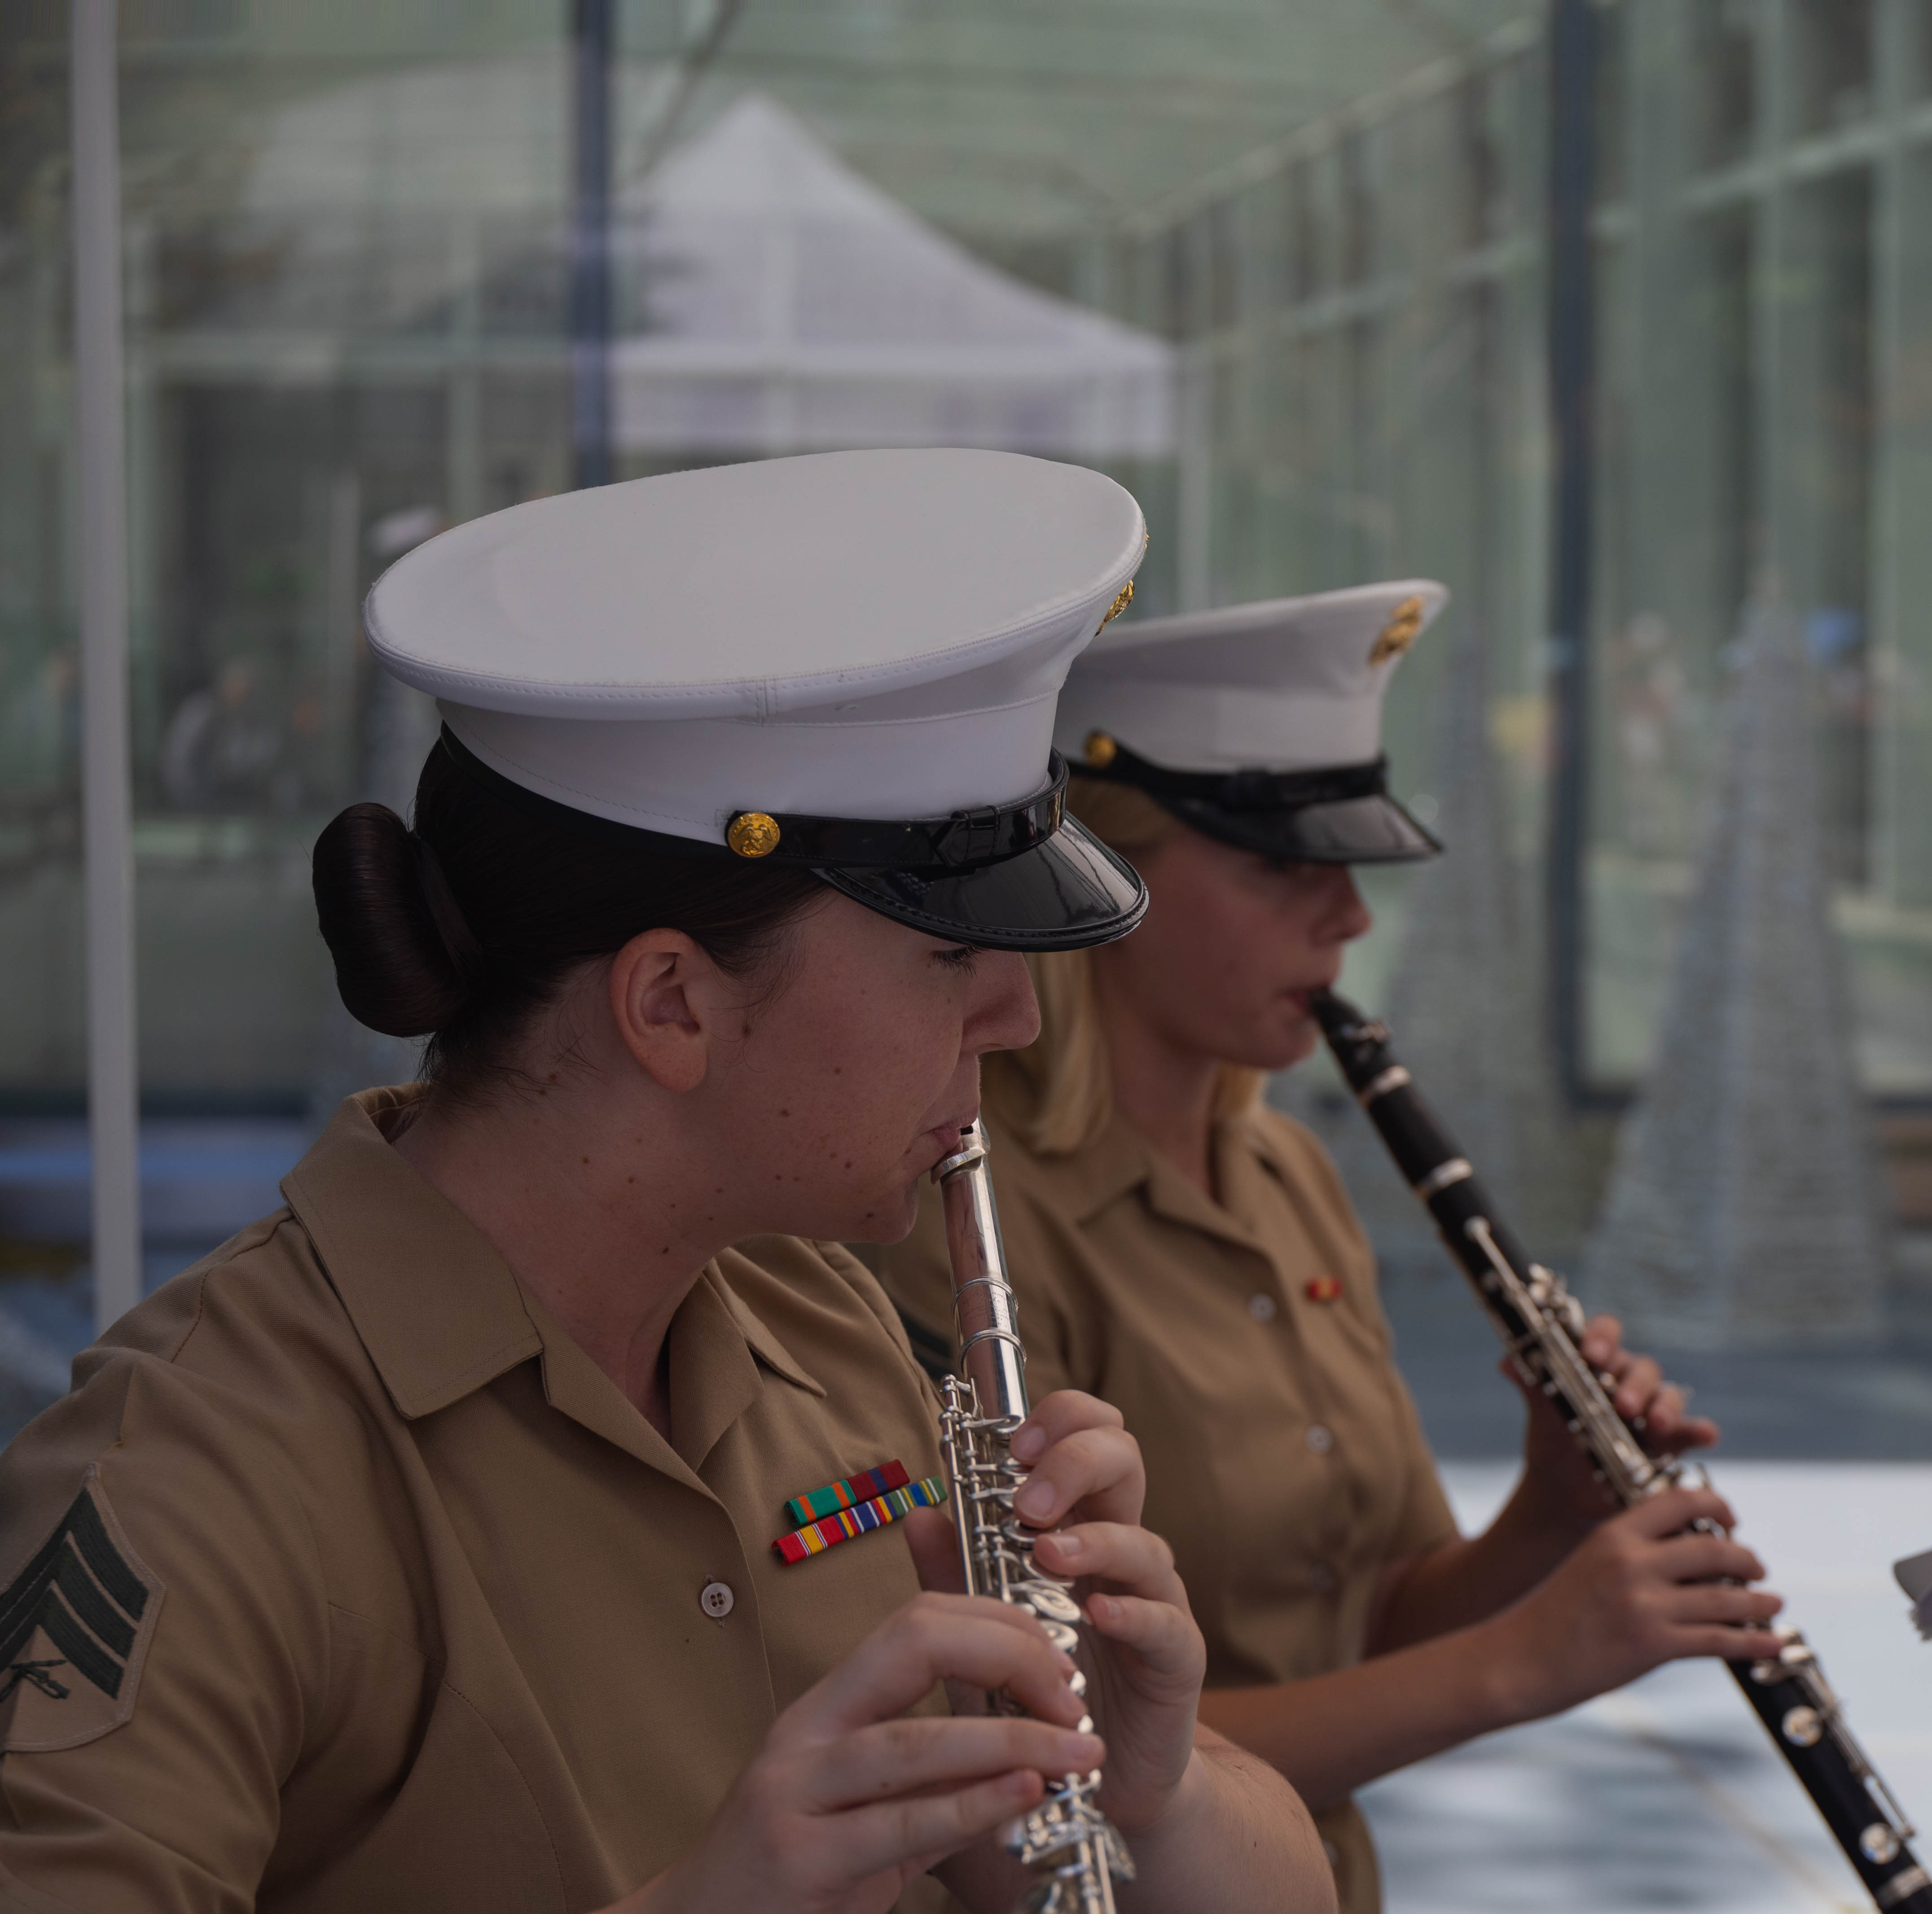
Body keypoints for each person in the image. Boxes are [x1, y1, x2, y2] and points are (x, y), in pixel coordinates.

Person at [0, 450, 1331, 1914]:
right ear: (673, 1007)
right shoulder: (196, 1468)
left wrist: (1147, 1785)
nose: (1016, 1017)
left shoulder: (814, 1324)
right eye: (949, 952)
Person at [863, 580, 1785, 1914]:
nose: (1348, 918)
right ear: (1105, 875)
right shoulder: (969, 1212)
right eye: (1283, 867)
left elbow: (1375, 1615)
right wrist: (1531, 1659)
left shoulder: (1287, 1172)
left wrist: (1548, 1518)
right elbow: (1081, 1738)